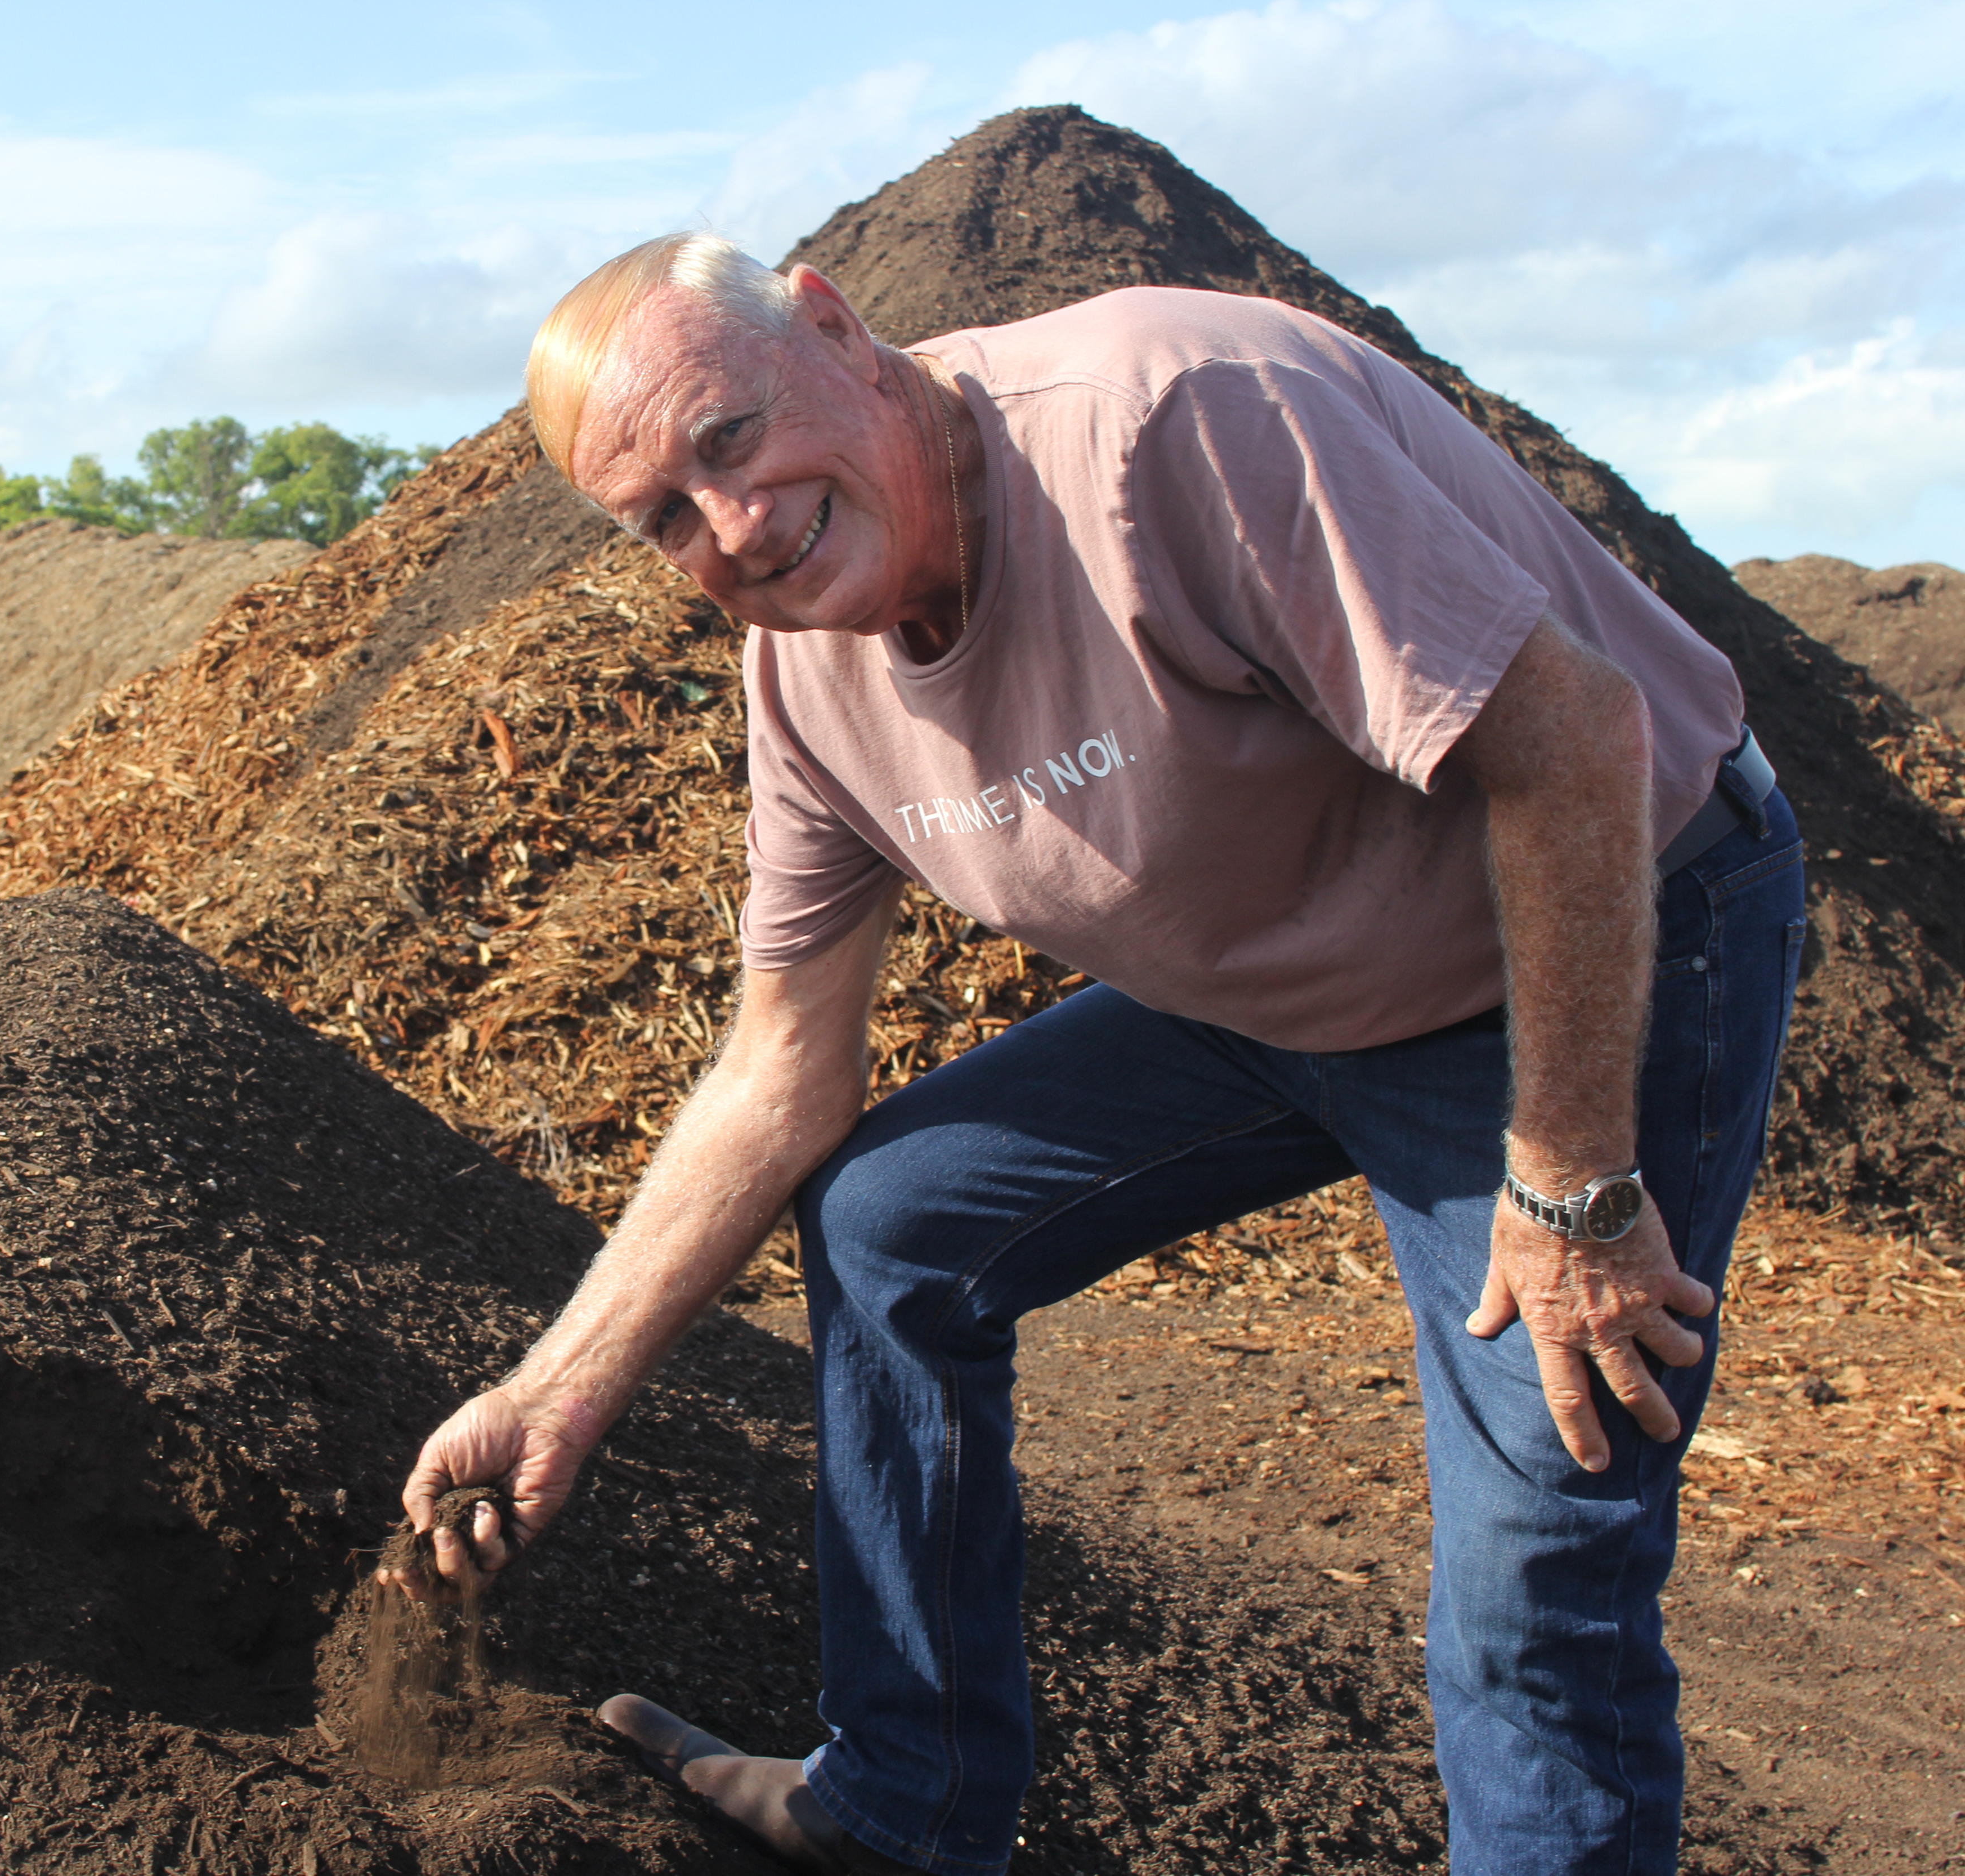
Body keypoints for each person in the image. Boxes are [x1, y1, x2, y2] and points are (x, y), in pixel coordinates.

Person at [386, 232, 1802, 1876]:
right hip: (1268, 990)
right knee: (892, 1224)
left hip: (1579, 932)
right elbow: (780, 1071)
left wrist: (1568, 1183)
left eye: (731, 438)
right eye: (666, 520)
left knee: (1538, 1558)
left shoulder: (1172, 426)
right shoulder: (809, 684)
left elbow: (1575, 742)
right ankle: (902, 1807)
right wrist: (555, 1396)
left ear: (835, 327)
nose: (736, 525)